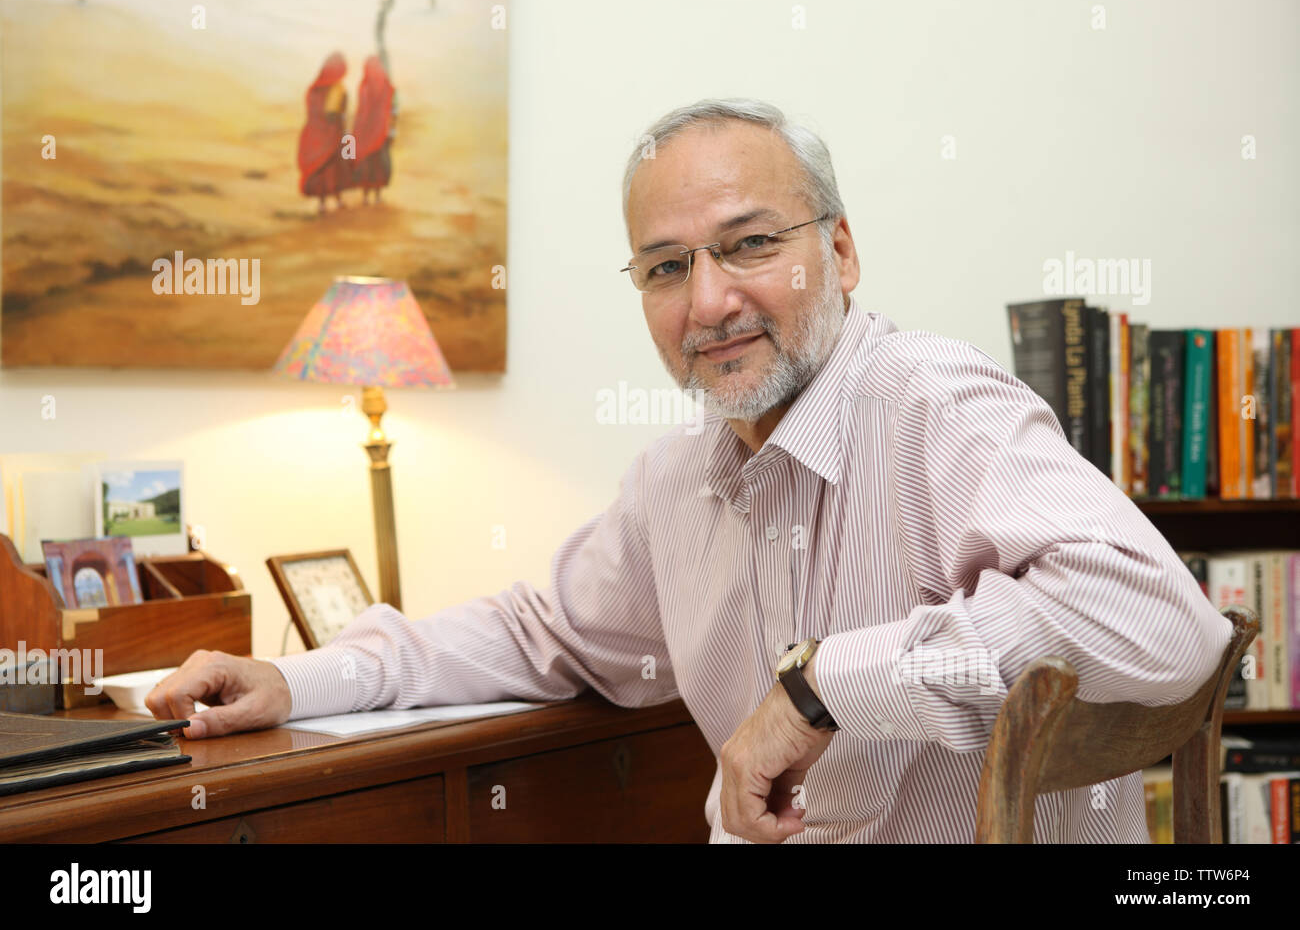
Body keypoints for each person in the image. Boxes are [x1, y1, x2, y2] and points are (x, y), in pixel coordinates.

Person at [147, 97, 1231, 843]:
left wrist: (819, 687)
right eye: (666, 267)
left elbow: (1160, 614)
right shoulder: (679, 479)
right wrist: (302, 676)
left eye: (750, 244)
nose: (707, 301)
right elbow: (539, 631)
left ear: (841, 252)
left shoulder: (931, 401)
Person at [296, 52, 350, 214]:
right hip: (332, 132)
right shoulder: (337, 88)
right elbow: (334, 114)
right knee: (334, 167)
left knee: (323, 168)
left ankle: (323, 203)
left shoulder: (314, 88)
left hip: (314, 133)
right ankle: (337, 199)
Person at [350, 55, 396, 204]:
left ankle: (366, 196)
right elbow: (392, 111)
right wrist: (391, 131)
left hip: (366, 133)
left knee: (367, 164)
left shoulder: (365, 86)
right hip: (381, 133)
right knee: (378, 164)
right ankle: (376, 196)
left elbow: (361, 112)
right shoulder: (387, 87)